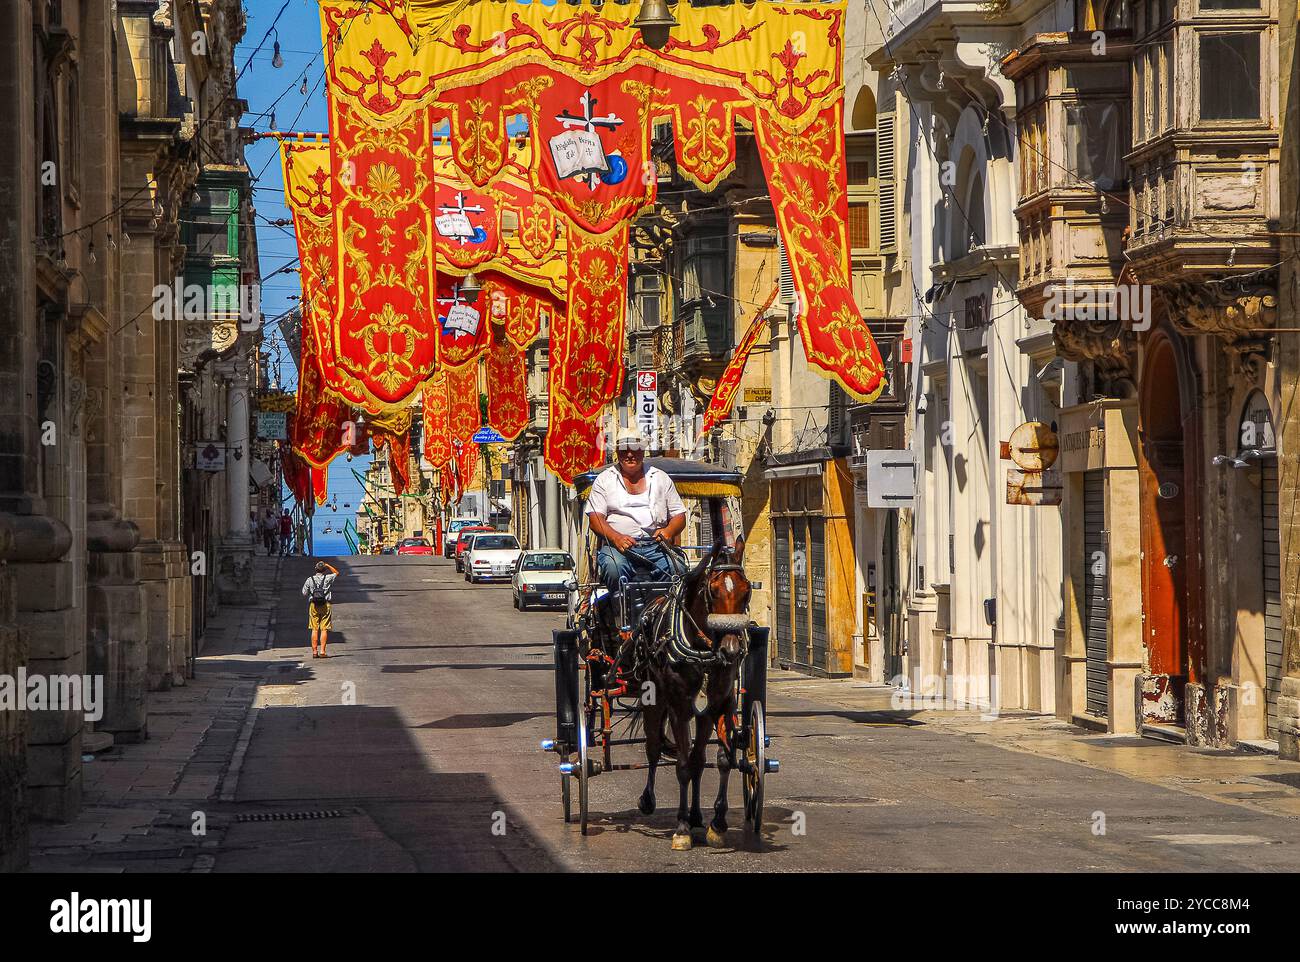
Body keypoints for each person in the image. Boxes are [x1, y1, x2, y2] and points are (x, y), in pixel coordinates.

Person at [584, 429, 687, 595]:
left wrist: (668, 532)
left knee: (678, 569)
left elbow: (679, 516)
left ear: (643, 451)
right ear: (617, 452)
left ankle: (665, 609)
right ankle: (620, 613)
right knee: (613, 568)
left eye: (635, 449)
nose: (630, 454)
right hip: (618, 548)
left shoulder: (660, 478)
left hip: (656, 546)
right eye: (625, 450)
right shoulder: (604, 480)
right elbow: (596, 520)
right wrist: (616, 538)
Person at [301, 561, 339, 658]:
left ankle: (314, 652)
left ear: (315, 569)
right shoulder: (328, 578)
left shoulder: (310, 579)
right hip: (325, 604)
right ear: (324, 570)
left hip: (314, 604)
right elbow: (336, 573)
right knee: (324, 629)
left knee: (314, 629)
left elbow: (304, 593)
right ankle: (322, 651)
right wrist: (328, 565)